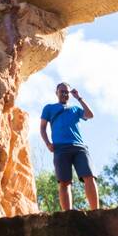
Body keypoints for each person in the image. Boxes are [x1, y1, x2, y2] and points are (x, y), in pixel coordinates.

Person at [39, 82, 97, 210]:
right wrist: (48, 143)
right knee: (64, 182)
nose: (64, 94)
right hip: (60, 148)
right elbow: (42, 128)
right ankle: (68, 215)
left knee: (89, 176)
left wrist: (79, 98)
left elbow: (90, 115)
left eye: (67, 92)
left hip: (79, 147)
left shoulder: (75, 109)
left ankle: (96, 211)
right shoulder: (49, 108)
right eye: (62, 91)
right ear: (57, 93)